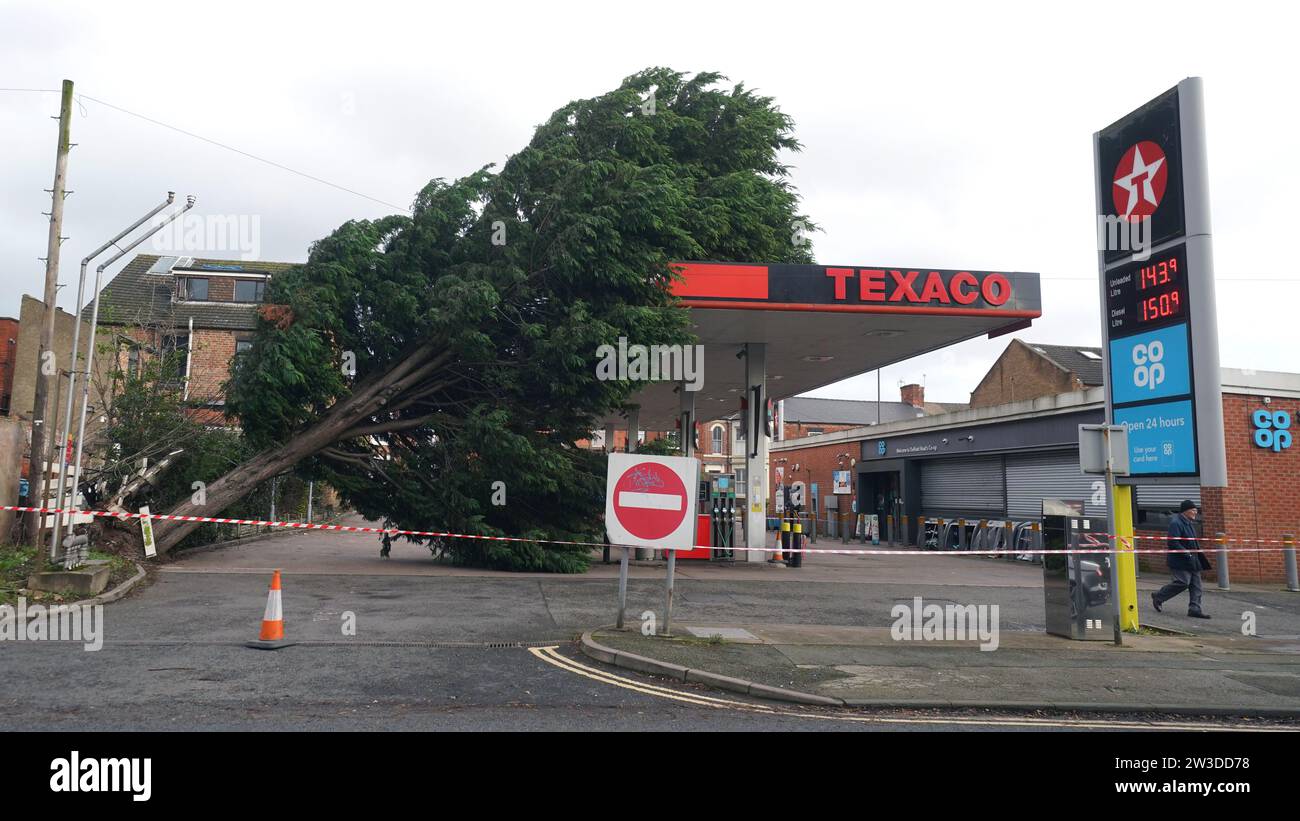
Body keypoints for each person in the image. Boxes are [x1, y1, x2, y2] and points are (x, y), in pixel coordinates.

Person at [1151, 500, 1211, 619]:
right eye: (1193, 510)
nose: (1195, 512)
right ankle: (1159, 596)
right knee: (1182, 583)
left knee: (1196, 585)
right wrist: (1186, 553)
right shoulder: (1176, 523)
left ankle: (1195, 609)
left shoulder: (1188, 522)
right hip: (1180, 560)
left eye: (1196, 510)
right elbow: (1172, 542)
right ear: (1185, 511)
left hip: (1193, 559)